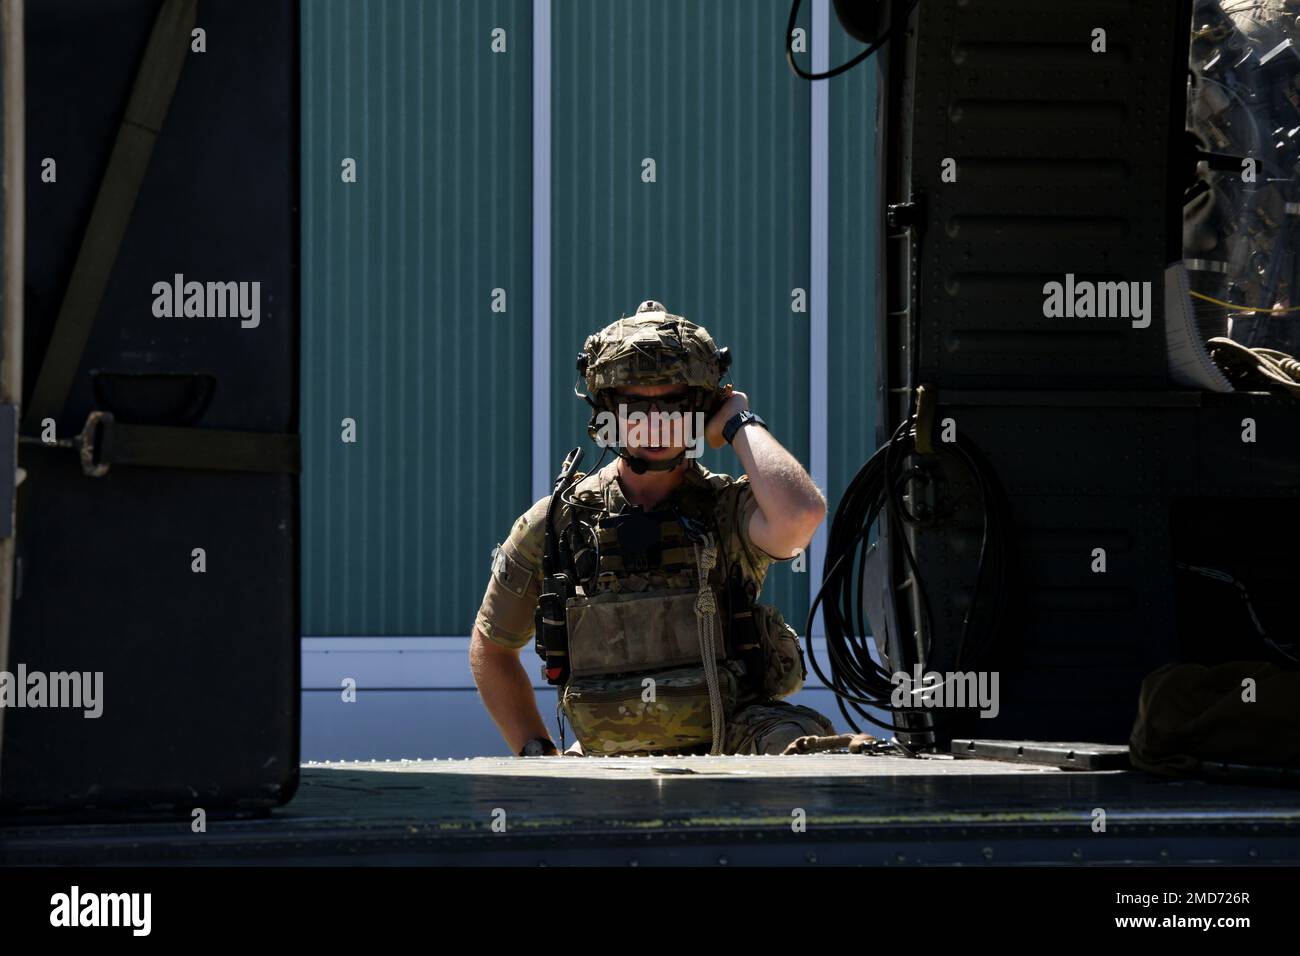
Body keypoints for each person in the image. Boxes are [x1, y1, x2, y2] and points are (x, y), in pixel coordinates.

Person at [469, 300, 837, 756]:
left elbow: (800, 516)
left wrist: (740, 421)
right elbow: (492, 648)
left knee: (805, 748)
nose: (655, 423)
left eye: (674, 404)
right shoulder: (559, 522)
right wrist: (537, 752)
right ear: (607, 412)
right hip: (609, 755)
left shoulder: (728, 510)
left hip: (730, 743)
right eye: (634, 407)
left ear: (702, 409)